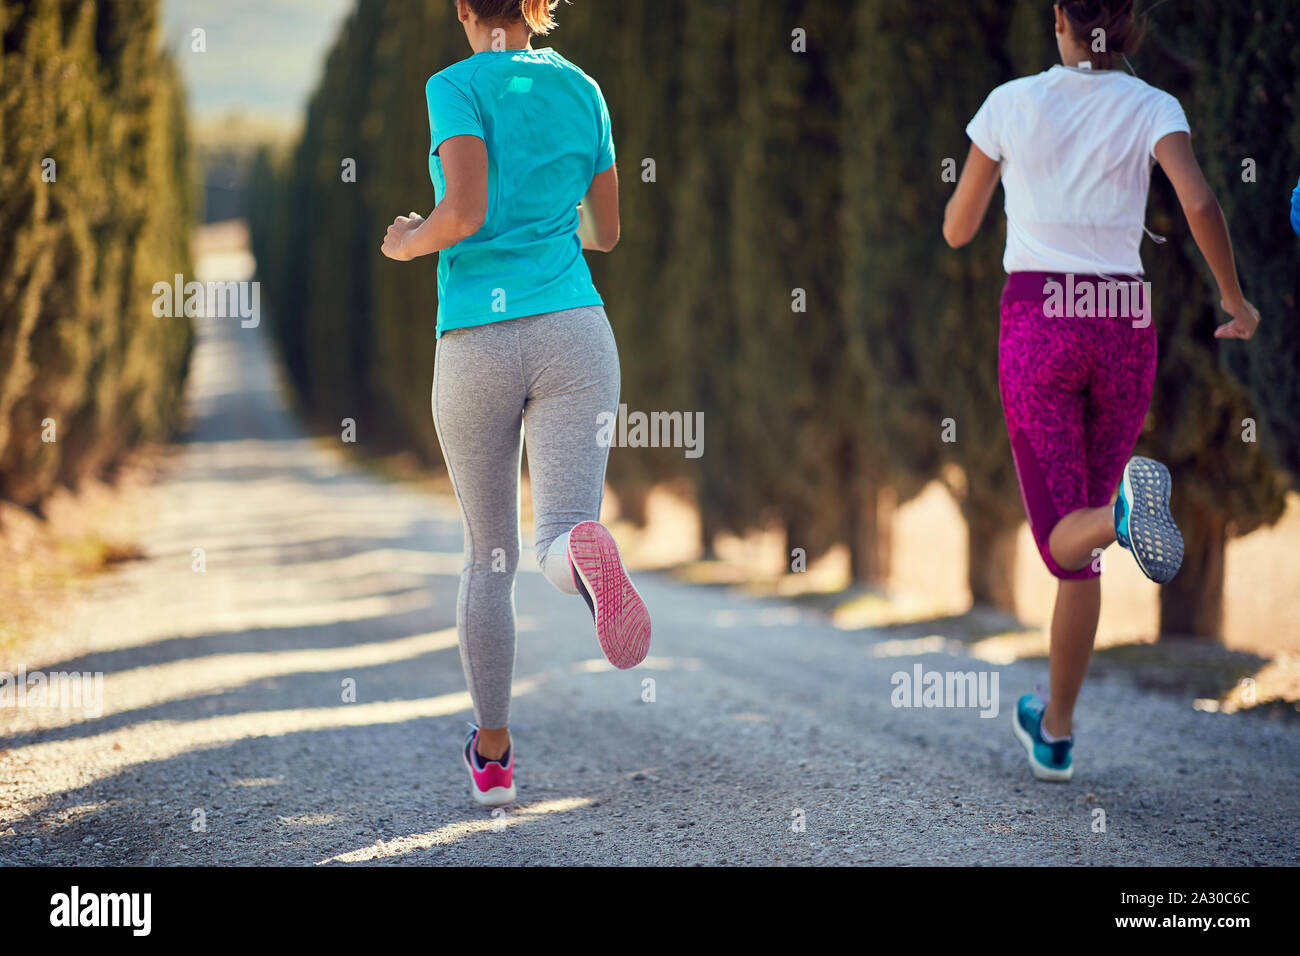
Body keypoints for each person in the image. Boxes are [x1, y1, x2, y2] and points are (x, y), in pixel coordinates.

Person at [942, 0, 1259, 781]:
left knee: (1062, 536)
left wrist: (990, 187)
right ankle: (1053, 730)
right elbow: (1198, 202)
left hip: (1039, 320)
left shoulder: (1011, 103)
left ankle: (1120, 513)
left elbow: (957, 227)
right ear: (1129, 27)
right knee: (1080, 541)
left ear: (1058, 17)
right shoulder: (1153, 105)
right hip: (1122, 319)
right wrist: (1235, 300)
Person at [381, 0, 651, 806]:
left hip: (477, 338)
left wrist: (407, 239)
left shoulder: (455, 85)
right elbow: (604, 232)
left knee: (487, 557)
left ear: (465, 7)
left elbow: (460, 213)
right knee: (558, 535)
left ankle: (493, 756)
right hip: (575, 326)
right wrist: (545, 210)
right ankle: (582, 548)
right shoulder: (584, 89)